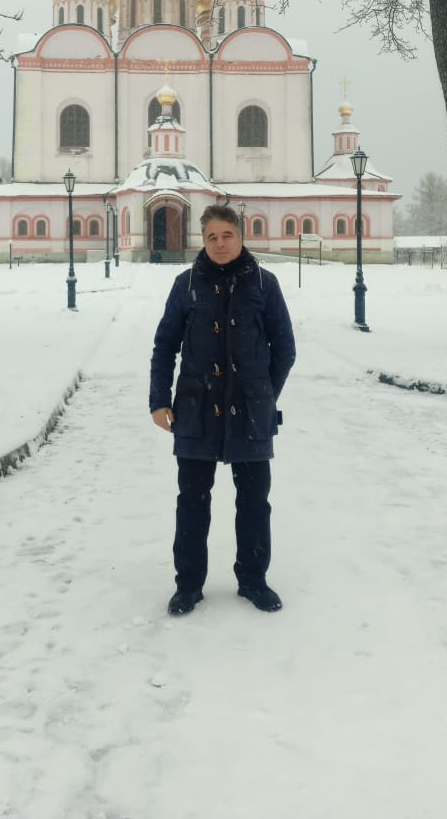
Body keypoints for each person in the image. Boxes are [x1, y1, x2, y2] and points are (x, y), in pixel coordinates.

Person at [149, 204, 296, 615]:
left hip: (250, 415)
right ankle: (189, 584)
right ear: (204, 240)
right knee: (192, 502)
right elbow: (165, 345)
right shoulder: (186, 284)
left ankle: (253, 579)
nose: (220, 243)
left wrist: (263, 393)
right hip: (195, 412)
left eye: (227, 235)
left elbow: (285, 348)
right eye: (212, 236)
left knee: (254, 502)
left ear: (241, 236)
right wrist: (159, 400)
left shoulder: (265, 284)